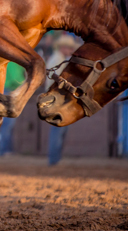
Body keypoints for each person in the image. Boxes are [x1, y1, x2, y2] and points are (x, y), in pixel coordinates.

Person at [45, 34, 80, 165]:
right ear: (63, 47)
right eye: (69, 48)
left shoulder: (58, 59)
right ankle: (54, 159)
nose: (71, 51)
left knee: (59, 130)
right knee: (58, 130)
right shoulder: (58, 60)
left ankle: (55, 159)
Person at [0, 62, 25, 156]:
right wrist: (27, 85)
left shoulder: (10, 61)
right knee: (8, 123)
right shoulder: (14, 62)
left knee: (6, 123)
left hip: (6, 90)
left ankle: (5, 150)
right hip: (9, 91)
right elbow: (15, 79)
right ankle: (4, 150)